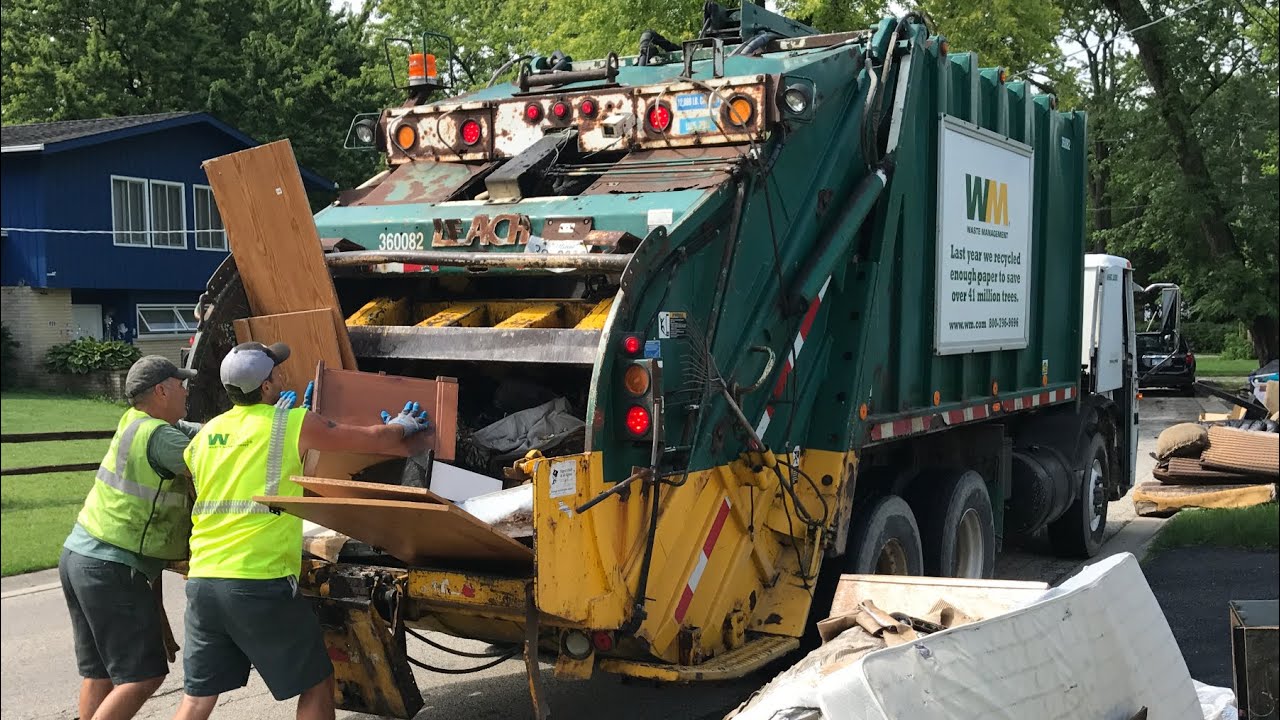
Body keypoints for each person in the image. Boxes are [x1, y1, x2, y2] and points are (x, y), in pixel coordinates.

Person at [173, 341, 432, 720]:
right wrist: (401, 426)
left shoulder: (205, 436)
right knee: (317, 683)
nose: (281, 375)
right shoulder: (291, 423)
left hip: (204, 582)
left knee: (197, 699)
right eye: (275, 372)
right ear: (265, 386)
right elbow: (372, 440)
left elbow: (245, 470)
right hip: (258, 580)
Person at [59, 356, 200, 720]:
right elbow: (216, 459)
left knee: (101, 672)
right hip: (113, 566)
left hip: (78, 556)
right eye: (180, 385)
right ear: (161, 391)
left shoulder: (134, 421)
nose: (186, 391)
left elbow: (199, 431)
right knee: (143, 676)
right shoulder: (161, 437)